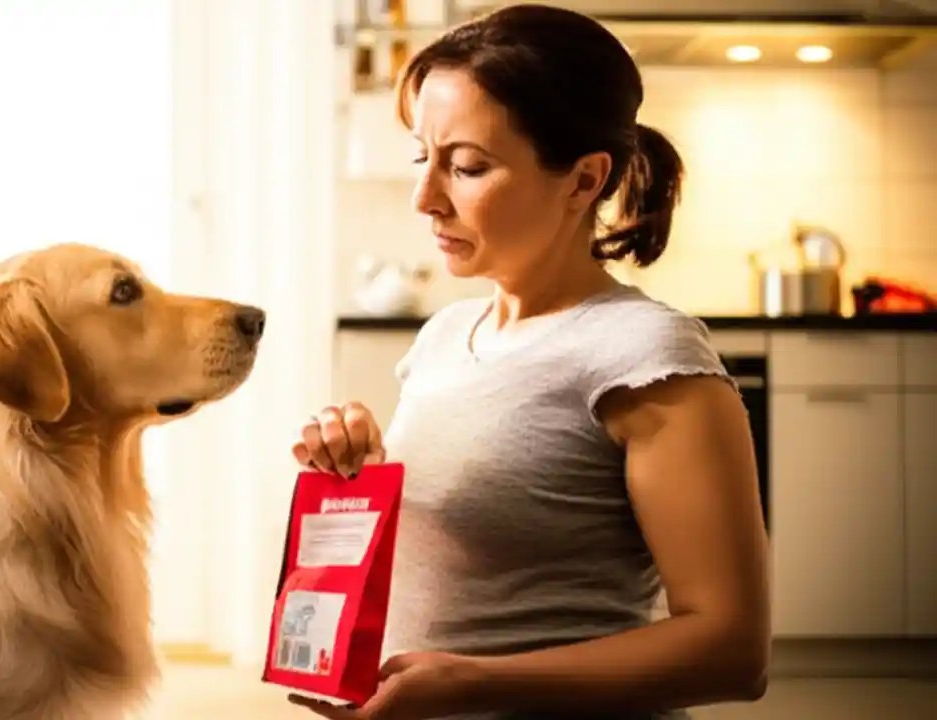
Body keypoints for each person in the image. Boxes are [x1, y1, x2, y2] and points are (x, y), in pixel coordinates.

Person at [287, 5, 770, 720]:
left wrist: (473, 683)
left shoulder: (647, 358)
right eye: (424, 157)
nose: (425, 199)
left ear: (581, 182)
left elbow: (731, 649)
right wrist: (357, 467)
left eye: (467, 167)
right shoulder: (446, 336)